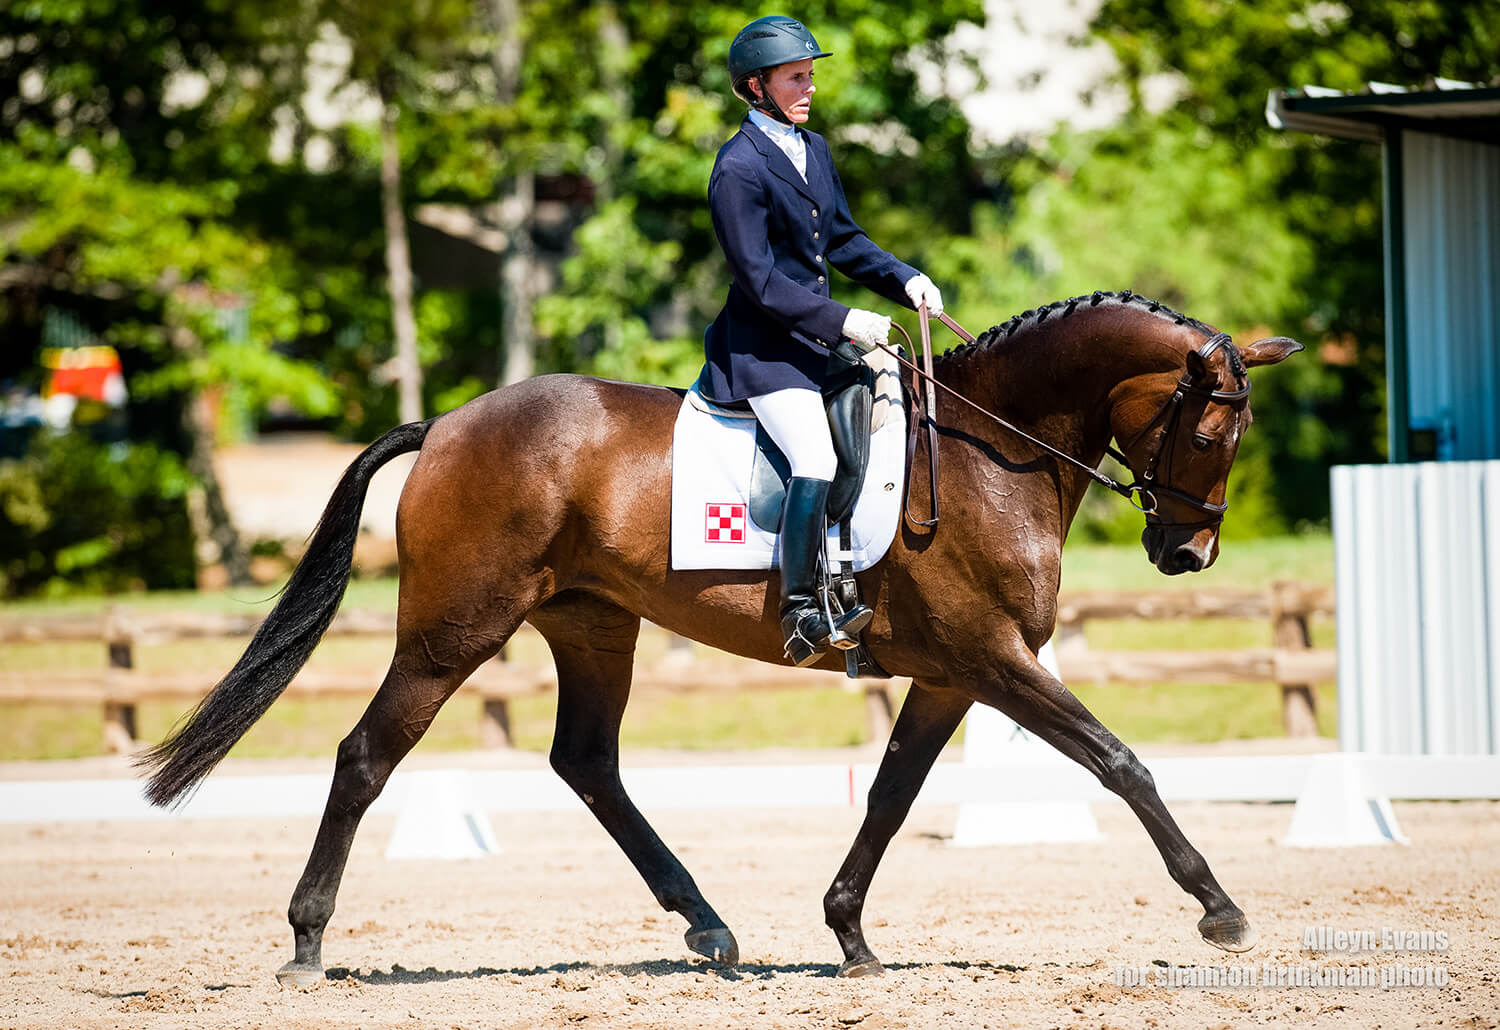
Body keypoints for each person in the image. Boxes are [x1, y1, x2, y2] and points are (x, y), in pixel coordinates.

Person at [701, 14, 944, 667]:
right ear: (756, 86)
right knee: (816, 455)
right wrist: (841, 320)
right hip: (762, 352)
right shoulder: (737, 169)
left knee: (898, 411)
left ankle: (857, 574)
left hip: (813, 344)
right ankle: (802, 609)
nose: (809, 87)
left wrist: (906, 278)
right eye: (795, 77)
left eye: (810, 75)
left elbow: (842, 241)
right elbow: (758, 282)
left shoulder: (815, 149)